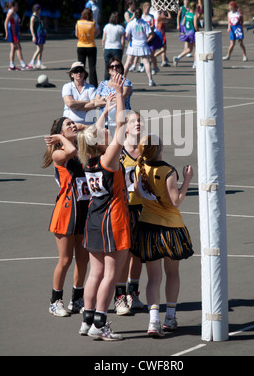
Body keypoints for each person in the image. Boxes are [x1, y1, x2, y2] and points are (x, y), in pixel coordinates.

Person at [78, 72, 131, 341]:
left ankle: (87, 321)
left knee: (95, 272)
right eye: (102, 132)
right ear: (99, 141)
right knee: (110, 273)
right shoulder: (109, 159)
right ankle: (101, 324)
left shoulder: (88, 159)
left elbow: (94, 132)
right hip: (113, 217)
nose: (105, 130)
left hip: (94, 218)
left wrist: (104, 110)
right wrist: (119, 97)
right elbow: (121, 126)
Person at [131, 134, 194, 337]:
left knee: (153, 278)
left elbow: (137, 192)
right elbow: (175, 201)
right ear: (159, 149)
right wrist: (187, 181)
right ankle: (170, 317)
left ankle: (153, 321)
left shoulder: (139, 169)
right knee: (172, 273)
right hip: (170, 228)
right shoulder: (168, 171)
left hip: (147, 227)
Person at [43, 117, 90, 317]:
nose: (72, 125)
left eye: (73, 123)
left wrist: (80, 127)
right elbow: (69, 151)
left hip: (85, 209)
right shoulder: (59, 154)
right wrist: (62, 138)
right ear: (59, 133)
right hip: (66, 212)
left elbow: (96, 132)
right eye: (67, 124)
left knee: (82, 259)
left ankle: (77, 299)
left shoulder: (82, 150)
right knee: (65, 260)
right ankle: (55, 301)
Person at [114, 111, 145, 315]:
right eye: (133, 121)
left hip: (143, 209)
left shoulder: (145, 151)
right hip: (124, 209)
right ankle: (119, 297)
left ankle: (133, 293)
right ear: (124, 127)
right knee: (123, 254)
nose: (138, 124)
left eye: (140, 120)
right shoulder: (118, 152)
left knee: (138, 254)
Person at [95, 58, 132, 137]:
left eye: (117, 66)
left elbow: (122, 97)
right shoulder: (103, 84)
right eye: (112, 67)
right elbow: (96, 102)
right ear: (108, 70)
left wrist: (105, 98)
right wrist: (111, 100)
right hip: (105, 122)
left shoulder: (126, 83)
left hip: (120, 121)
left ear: (121, 69)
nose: (114, 68)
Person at [124, 8, 156, 87]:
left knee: (128, 62)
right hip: (143, 45)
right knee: (146, 62)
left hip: (133, 45)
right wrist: (145, 38)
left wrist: (129, 39)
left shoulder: (131, 23)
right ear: (141, 14)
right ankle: (150, 80)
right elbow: (149, 34)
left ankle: (122, 78)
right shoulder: (144, 23)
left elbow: (127, 35)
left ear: (134, 14)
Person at [62, 61, 97, 125]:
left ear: (84, 73)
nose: (79, 73)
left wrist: (77, 106)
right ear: (72, 74)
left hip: (87, 124)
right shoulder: (67, 86)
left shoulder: (91, 88)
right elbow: (70, 103)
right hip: (70, 124)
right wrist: (85, 102)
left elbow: (94, 104)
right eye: (75, 71)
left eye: (81, 71)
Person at [4, 1, 32, 71]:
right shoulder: (11, 12)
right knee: (18, 48)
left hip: (14, 31)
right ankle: (23, 64)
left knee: (13, 49)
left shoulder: (13, 12)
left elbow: (15, 22)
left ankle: (11, 65)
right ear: (13, 6)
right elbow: (6, 22)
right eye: (16, 6)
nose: (17, 7)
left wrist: (18, 31)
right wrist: (7, 32)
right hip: (12, 32)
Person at [75, 7, 98, 88]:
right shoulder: (92, 23)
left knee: (81, 66)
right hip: (91, 45)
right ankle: (94, 85)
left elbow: (76, 34)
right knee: (92, 67)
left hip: (81, 45)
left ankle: (81, 83)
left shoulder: (78, 23)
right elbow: (96, 32)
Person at [173, 2, 199, 67]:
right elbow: (195, 26)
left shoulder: (186, 14)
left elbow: (183, 23)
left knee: (189, 49)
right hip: (192, 33)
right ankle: (195, 63)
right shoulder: (194, 15)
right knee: (197, 48)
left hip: (187, 33)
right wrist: (198, 30)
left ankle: (178, 57)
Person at [102, 11, 125, 80]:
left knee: (107, 67)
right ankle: (117, 81)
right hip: (117, 48)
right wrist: (122, 49)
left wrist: (104, 48)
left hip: (108, 48)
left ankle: (106, 81)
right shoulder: (120, 27)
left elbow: (103, 39)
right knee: (117, 68)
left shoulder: (106, 26)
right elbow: (122, 41)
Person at [29, 4, 47, 69]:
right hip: (37, 34)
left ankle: (39, 63)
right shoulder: (33, 17)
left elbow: (41, 24)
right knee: (39, 49)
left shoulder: (38, 15)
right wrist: (33, 36)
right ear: (37, 10)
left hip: (41, 33)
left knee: (41, 48)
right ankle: (32, 62)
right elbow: (31, 27)